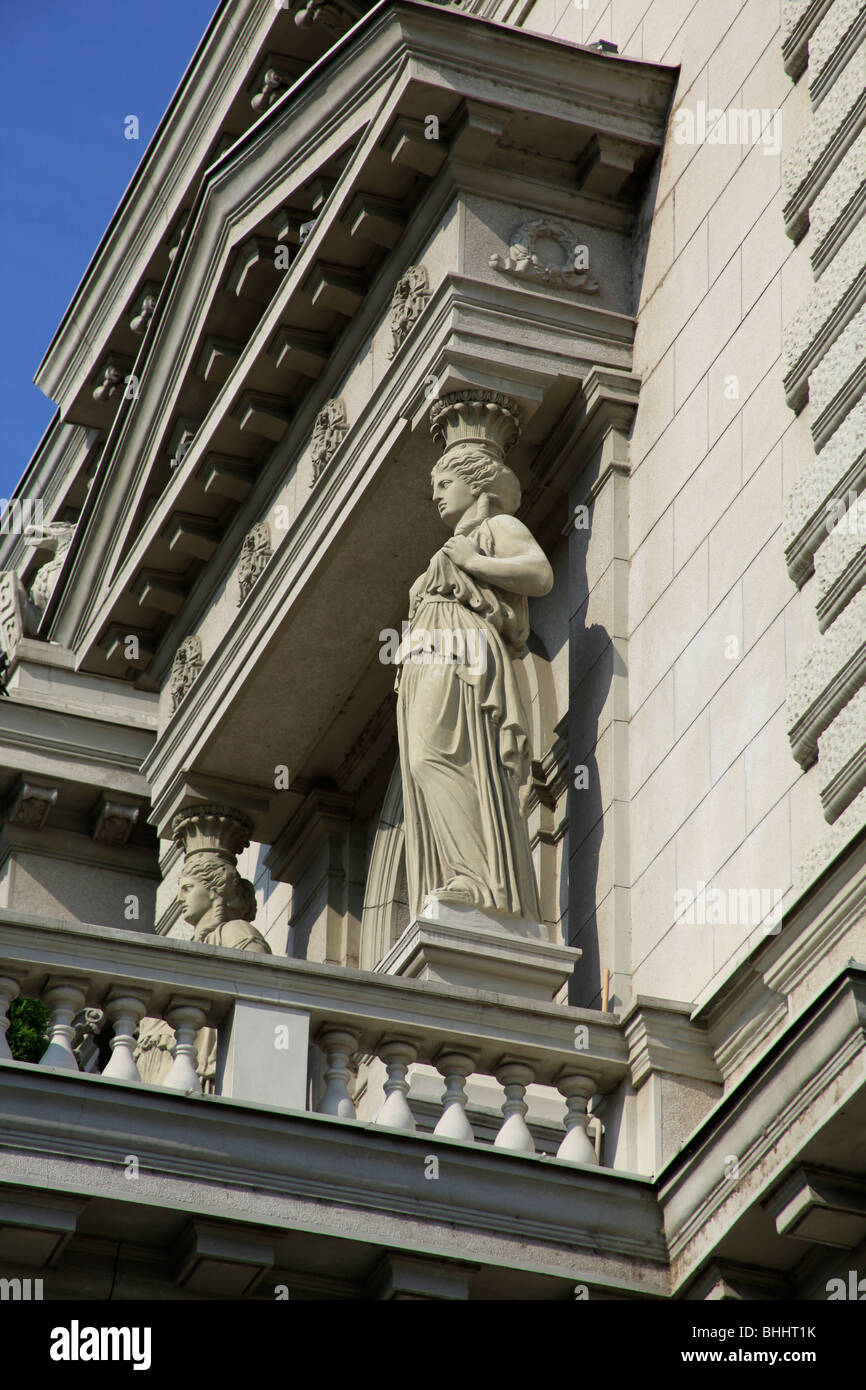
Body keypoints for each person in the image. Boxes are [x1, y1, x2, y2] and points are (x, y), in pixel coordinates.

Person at [396, 440, 553, 921]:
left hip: (462, 650)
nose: (438, 496)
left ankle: (479, 878)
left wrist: (473, 561)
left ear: (476, 484)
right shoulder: (452, 544)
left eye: (445, 484)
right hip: (428, 657)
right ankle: (457, 873)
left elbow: (539, 574)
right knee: (423, 765)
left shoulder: (496, 527)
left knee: (436, 757)